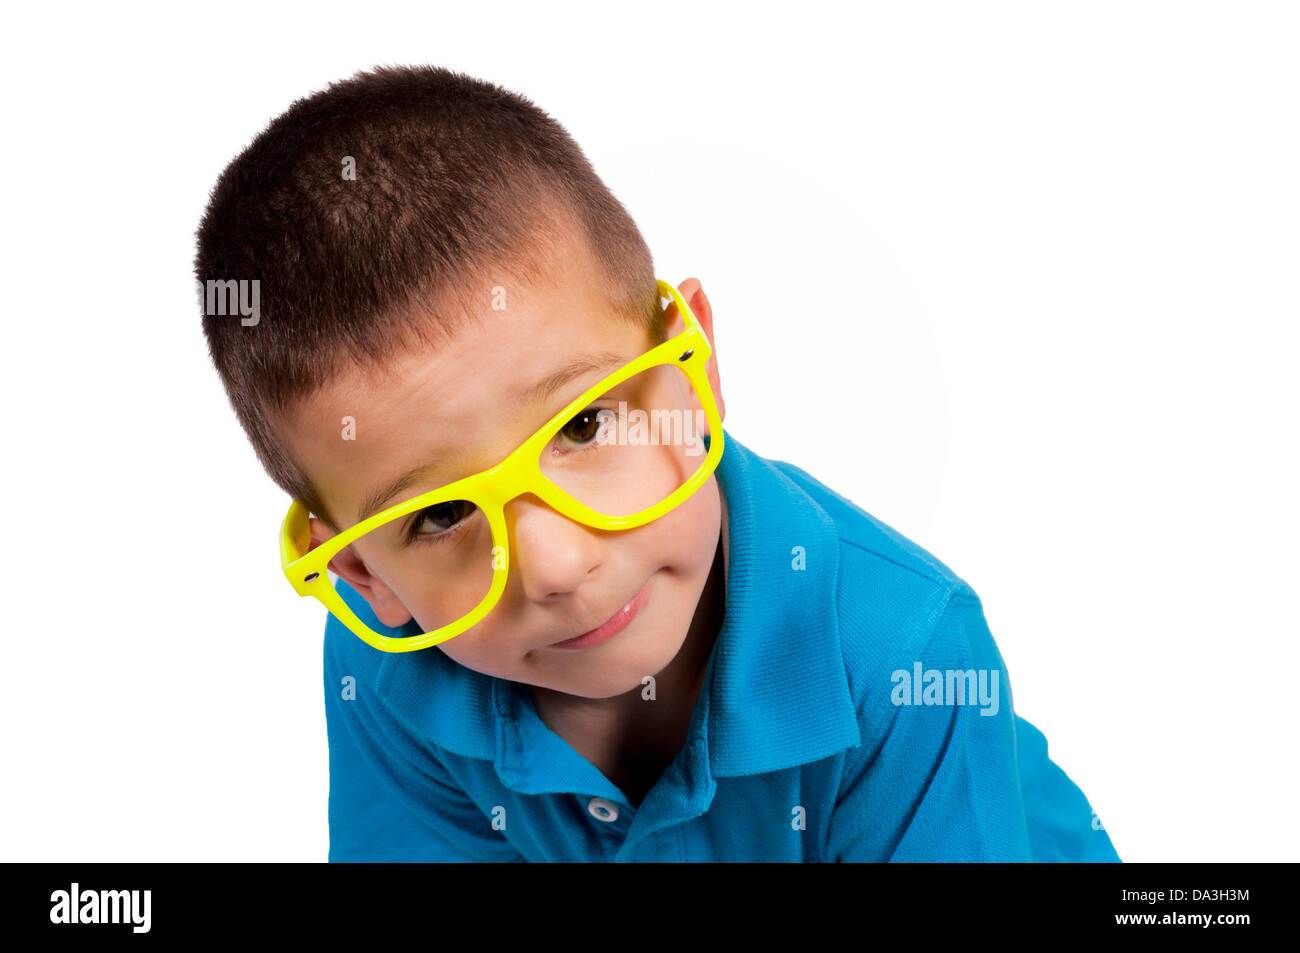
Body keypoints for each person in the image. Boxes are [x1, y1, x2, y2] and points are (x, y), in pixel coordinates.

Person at [195, 64, 1120, 862]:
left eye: (587, 425)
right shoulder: (385, 657)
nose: (557, 564)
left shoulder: (904, 652)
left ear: (698, 371)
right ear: (361, 570)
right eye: (438, 517)